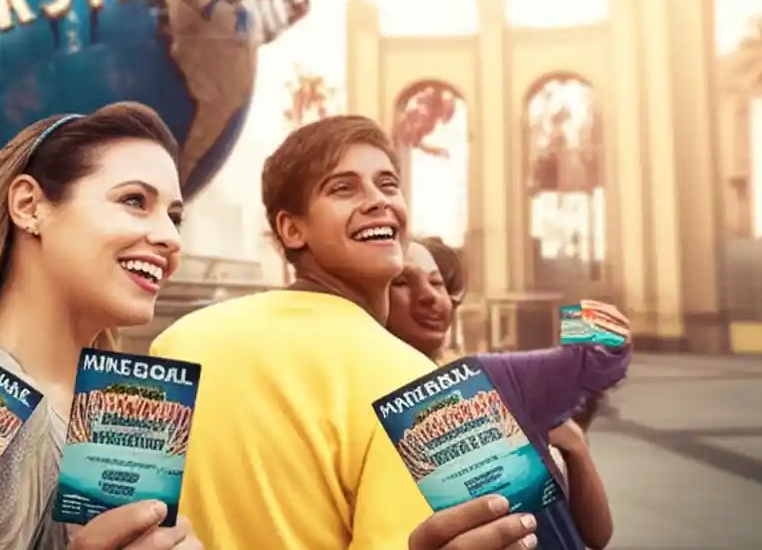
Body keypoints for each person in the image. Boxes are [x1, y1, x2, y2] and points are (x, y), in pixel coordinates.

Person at [150, 116, 539, 550]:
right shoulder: (426, 387)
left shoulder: (177, 340)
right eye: (343, 188)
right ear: (291, 229)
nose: (378, 201)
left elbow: (120, 522)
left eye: (388, 185)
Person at [0, 103, 201, 550]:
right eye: (134, 201)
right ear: (29, 206)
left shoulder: (112, 405)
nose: (171, 238)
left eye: (175, 216)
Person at [386, 238, 625, 549]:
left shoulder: (498, 384)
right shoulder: (401, 410)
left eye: (438, 283)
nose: (431, 297)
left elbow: (597, 536)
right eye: (402, 282)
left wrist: (575, 444)